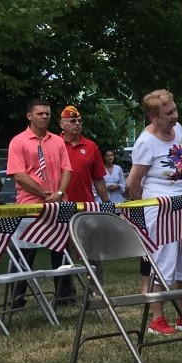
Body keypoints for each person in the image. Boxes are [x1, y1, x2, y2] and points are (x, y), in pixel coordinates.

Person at [126, 89, 182, 335]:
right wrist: (144, 210)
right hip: (160, 211)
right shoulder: (145, 142)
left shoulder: (179, 130)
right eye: (168, 113)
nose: (175, 115)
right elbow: (132, 183)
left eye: (175, 109)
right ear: (154, 117)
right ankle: (157, 318)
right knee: (162, 260)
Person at [5, 98, 72, 309]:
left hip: (57, 203)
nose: (45, 117)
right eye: (40, 113)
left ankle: (64, 297)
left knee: (61, 249)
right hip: (30, 204)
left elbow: (66, 170)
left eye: (48, 113)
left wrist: (59, 193)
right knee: (25, 250)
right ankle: (17, 299)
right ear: (29, 116)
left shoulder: (58, 141)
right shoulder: (19, 141)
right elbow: (18, 175)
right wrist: (44, 193)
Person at [57, 105, 110, 305]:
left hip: (86, 207)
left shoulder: (91, 146)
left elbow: (98, 178)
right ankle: (65, 294)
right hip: (61, 207)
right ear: (62, 124)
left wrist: (106, 204)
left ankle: (96, 291)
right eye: (72, 121)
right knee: (61, 251)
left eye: (79, 121)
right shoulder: (55, 144)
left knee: (92, 250)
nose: (77, 124)